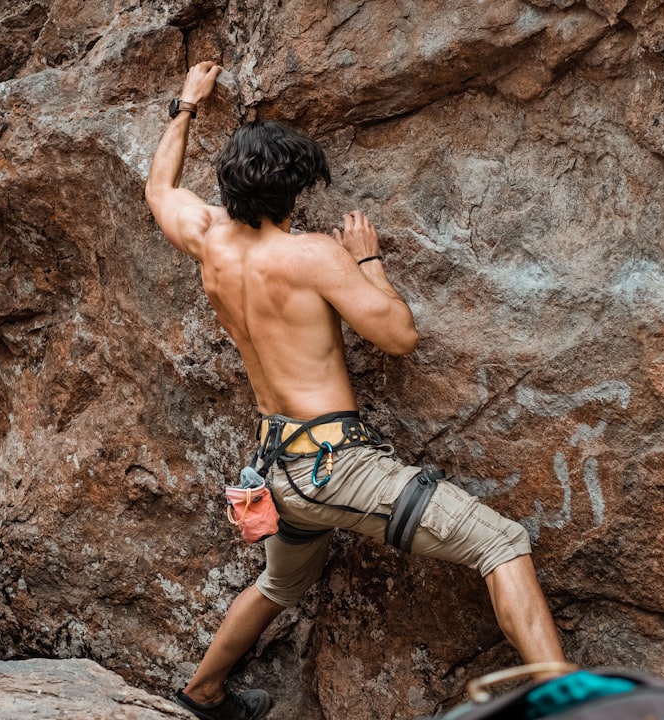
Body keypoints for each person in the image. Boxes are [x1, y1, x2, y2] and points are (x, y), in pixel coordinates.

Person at [146, 61, 567, 720]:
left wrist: (186, 106)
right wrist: (368, 261)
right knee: (500, 542)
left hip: (277, 471)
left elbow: (158, 187)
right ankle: (569, 701)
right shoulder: (312, 256)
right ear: (294, 194)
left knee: (281, 582)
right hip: (336, 467)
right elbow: (398, 335)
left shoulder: (208, 240)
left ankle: (202, 691)